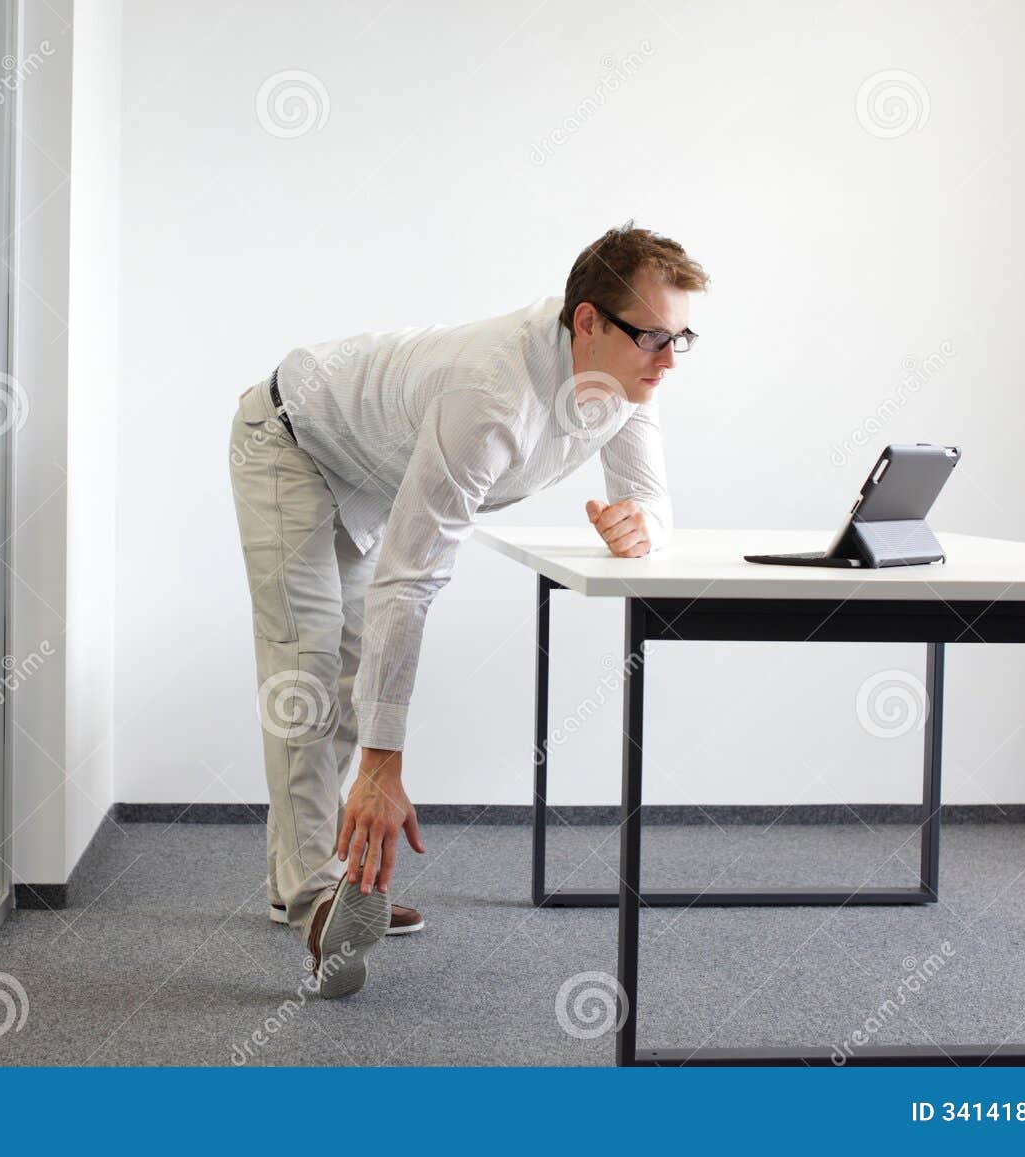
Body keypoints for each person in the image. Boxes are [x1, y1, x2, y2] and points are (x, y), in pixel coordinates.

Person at [227, 221, 707, 997]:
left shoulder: (627, 380)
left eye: (682, 339)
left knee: (354, 662)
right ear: (587, 320)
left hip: (372, 461)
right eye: (655, 337)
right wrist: (384, 767)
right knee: (311, 662)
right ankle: (316, 897)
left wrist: (641, 526)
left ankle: (297, 875)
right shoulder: (491, 397)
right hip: (293, 438)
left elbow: (650, 499)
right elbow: (410, 580)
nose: (669, 362)